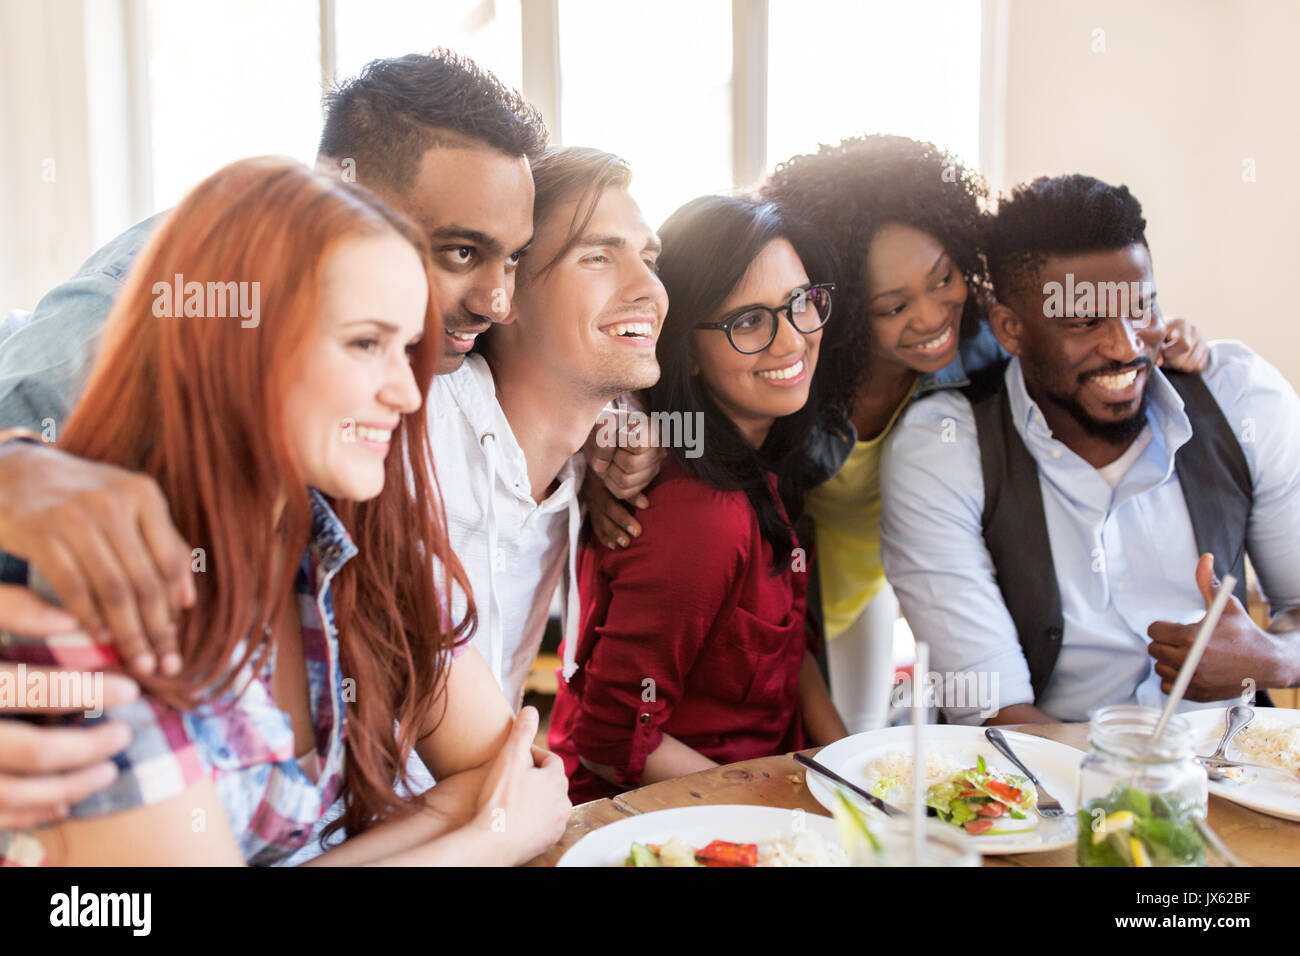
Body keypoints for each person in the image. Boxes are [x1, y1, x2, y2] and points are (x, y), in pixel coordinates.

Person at [0, 49, 547, 837]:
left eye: (514, 259)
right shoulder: (139, 325)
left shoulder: (361, 467)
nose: (499, 299)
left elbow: (507, 767)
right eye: (460, 252)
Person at [585, 135, 1209, 733]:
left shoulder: (980, 349)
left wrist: (1158, 331)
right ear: (852, 307)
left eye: (944, 279)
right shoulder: (797, 365)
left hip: (889, 580)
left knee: (860, 740)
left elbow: (1069, 344)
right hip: (794, 581)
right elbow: (686, 398)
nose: (934, 317)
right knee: (805, 741)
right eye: (894, 306)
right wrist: (619, 445)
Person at [879, 173, 1300, 725]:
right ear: (1010, 328)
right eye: (1084, 321)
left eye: (1141, 309)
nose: (1126, 346)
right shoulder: (943, 449)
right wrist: (1147, 792)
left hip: (1232, 771)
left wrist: (1274, 659)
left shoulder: (1242, 397)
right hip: (1041, 787)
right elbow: (992, 713)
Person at [549, 196, 848, 802]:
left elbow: (791, 654)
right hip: (670, 825)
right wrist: (788, 797)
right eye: (748, 322)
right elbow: (611, 740)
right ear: (684, 347)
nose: (791, 341)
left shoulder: (762, 463)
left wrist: (856, 774)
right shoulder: (701, 512)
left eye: (800, 303)